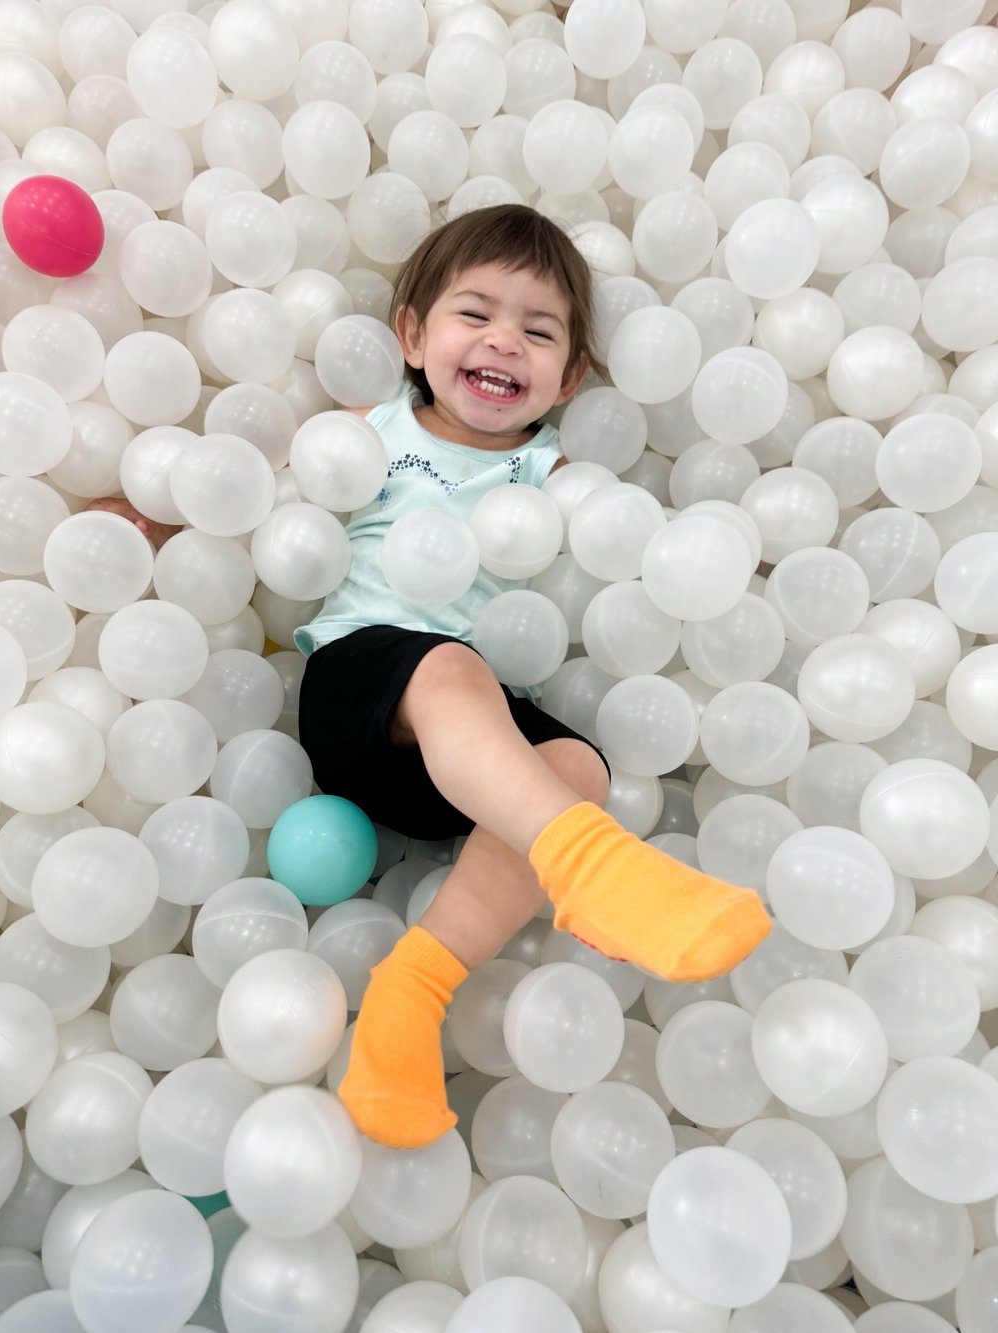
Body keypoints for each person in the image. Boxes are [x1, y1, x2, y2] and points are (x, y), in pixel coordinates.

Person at [293, 204, 772, 1151]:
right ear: (412, 335)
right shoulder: (369, 428)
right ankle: (599, 870)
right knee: (446, 665)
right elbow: (247, 484)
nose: (504, 338)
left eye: (539, 330)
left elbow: (637, 549)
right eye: (475, 315)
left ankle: (412, 989)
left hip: (462, 771)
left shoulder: (554, 473)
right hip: (361, 685)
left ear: (570, 376)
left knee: (578, 770)